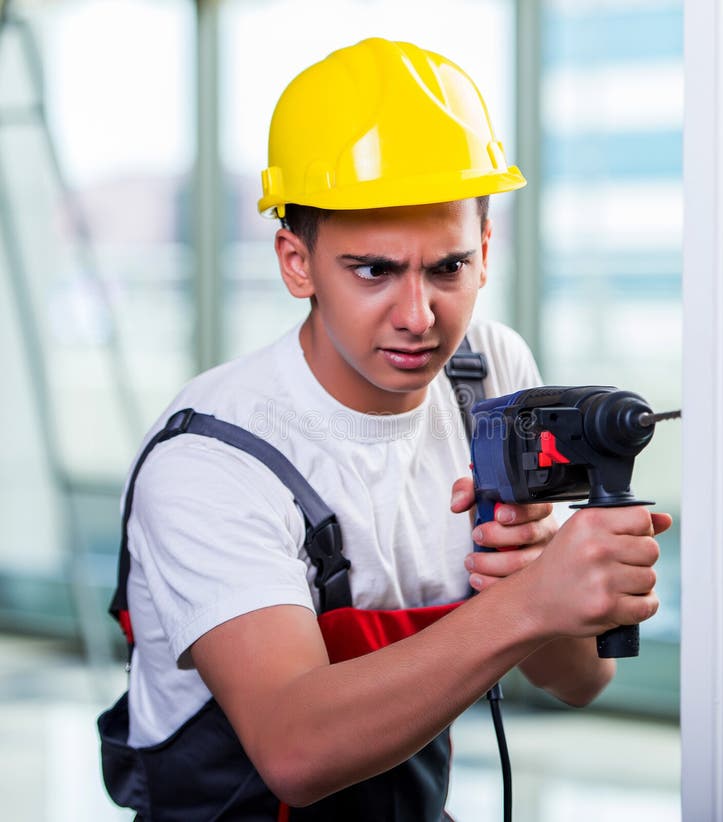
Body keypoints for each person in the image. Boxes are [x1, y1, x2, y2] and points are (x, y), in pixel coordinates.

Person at [98, 37, 670, 821]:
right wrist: (530, 602)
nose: (418, 317)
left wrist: (556, 578)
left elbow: (578, 681)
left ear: (485, 250)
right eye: (374, 270)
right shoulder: (212, 457)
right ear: (296, 262)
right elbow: (294, 753)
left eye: (447, 268)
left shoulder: (485, 377)